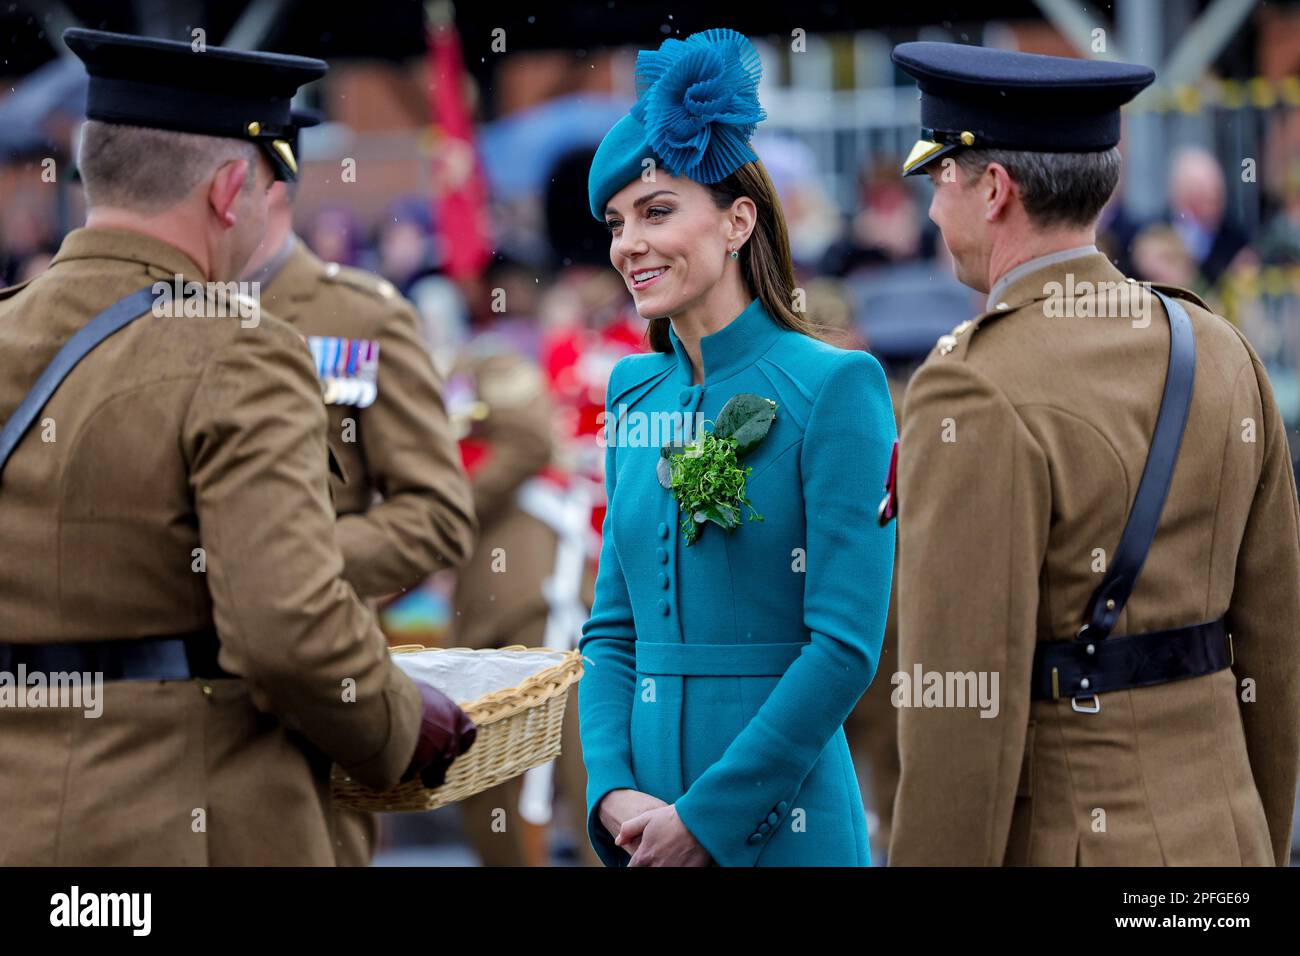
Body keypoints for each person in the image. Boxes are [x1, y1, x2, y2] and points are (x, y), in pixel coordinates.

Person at [0, 28, 475, 865]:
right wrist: (405, 729)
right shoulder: (239, 347)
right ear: (229, 192)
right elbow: (287, 634)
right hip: (180, 815)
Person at [888, 41, 1300, 866]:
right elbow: (1275, 649)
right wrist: (1254, 827)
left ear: (994, 190)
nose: (934, 213)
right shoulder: (1220, 350)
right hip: (1228, 838)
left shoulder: (970, 385)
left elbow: (958, 717)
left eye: (941, 183)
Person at [579, 27, 895, 867]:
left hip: (783, 828)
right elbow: (612, 630)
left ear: (736, 221)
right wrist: (611, 792)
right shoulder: (631, 392)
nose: (628, 244)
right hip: (641, 832)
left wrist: (706, 821)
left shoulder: (837, 387)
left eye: (656, 212)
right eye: (616, 223)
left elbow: (845, 648)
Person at [242, 112, 477, 865]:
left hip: (313, 693)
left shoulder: (361, 314)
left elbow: (438, 515)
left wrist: (286, 564)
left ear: (257, 184)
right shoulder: (154, 307)